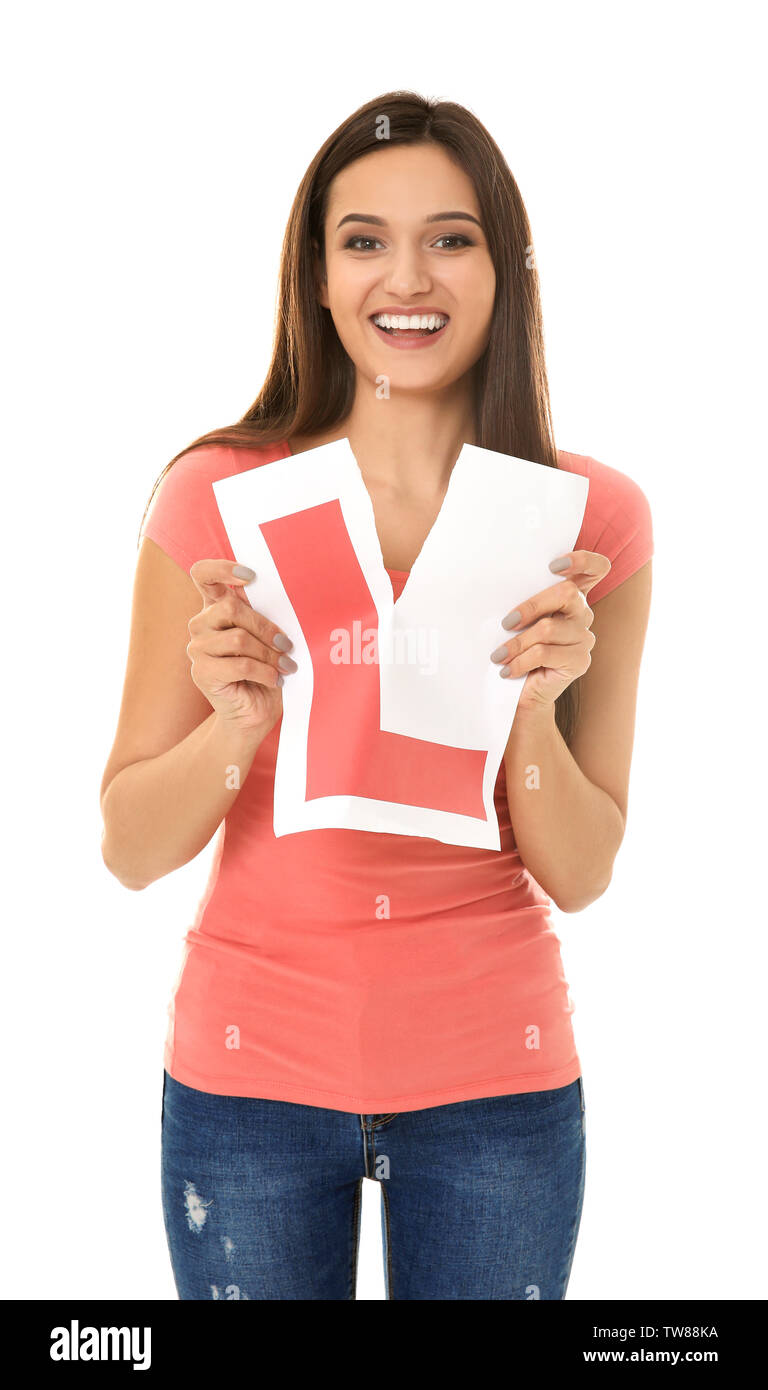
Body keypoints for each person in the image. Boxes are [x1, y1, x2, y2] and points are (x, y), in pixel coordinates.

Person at [100, 91, 653, 1300]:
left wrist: (536, 710)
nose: (408, 276)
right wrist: (236, 726)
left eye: (450, 237)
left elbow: (585, 871)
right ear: (317, 275)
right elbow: (131, 846)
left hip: (495, 1093)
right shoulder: (220, 497)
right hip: (248, 1089)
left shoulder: (587, 521)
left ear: (506, 270)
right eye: (364, 239)